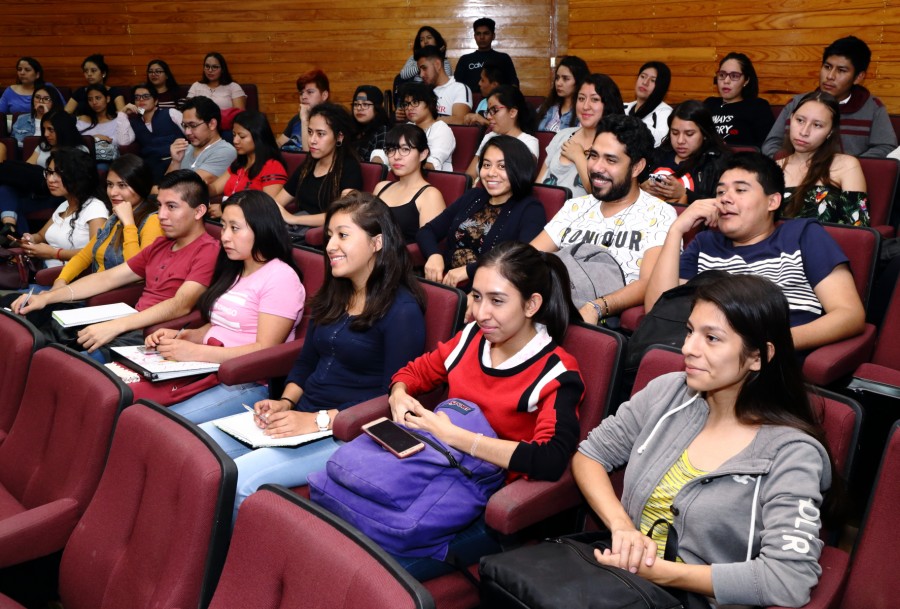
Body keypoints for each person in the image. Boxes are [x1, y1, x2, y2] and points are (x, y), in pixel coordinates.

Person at [573, 273, 837, 608]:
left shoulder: (792, 454)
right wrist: (622, 527)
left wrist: (661, 572)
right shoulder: (669, 391)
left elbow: (789, 580)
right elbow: (590, 455)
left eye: (711, 338)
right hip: (620, 583)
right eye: (689, 331)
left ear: (758, 356)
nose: (687, 349)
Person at [198, 191, 426, 517]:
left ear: (376, 243)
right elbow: (306, 361)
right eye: (330, 235)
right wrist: (285, 402)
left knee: (238, 481)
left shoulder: (402, 310)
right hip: (302, 416)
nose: (331, 245)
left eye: (343, 235)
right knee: (198, 447)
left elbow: (390, 397)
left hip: (347, 433)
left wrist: (318, 420)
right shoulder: (336, 292)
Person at [389, 240, 585, 579]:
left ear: (531, 305)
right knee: (351, 536)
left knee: (380, 565)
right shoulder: (470, 338)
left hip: (484, 502)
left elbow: (550, 459)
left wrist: (458, 437)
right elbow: (413, 373)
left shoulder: (557, 372)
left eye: (497, 300)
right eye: (476, 297)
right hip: (432, 473)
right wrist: (398, 394)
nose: (480, 313)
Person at [644, 151, 866, 355]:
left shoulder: (803, 235)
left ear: (772, 201)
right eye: (720, 191)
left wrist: (766, 345)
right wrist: (676, 230)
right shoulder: (705, 242)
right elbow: (657, 312)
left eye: (740, 190)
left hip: (769, 364)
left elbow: (849, 314)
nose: (725, 198)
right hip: (699, 357)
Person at [12, 170, 219, 361]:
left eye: (171, 207)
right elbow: (108, 278)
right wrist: (46, 297)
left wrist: (115, 326)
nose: (161, 215)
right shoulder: (161, 244)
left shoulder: (208, 250)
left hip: (155, 333)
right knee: (38, 332)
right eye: (159, 206)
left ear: (199, 211)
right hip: (131, 321)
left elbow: (180, 305)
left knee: (73, 365)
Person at [147, 190, 305, 421]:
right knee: (137, 403)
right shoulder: (235, 267)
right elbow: (220, 324)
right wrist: (185, 336)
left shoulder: (281, 277)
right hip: (208, 367)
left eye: (235, 228)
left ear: (261, 228)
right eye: (223, 226)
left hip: (246, 381)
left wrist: (198, 352)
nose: (225, 237)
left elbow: (265, 350)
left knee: (160, 420)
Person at [532, 114, 676, 324]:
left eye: (611, 160)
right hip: (551, 304)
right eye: (593, 155)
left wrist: (599, 306)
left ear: (637, 167)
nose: (597, 167)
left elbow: (649, 282)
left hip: (604, 320)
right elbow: (531, 254)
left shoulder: (658, 213)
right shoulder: (575, 206)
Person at [419, 136, 545, 287]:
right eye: (486, 165)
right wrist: (434, 255)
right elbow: (427, 231)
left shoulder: (531, 208)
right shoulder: (474, 196)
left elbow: (521, 261)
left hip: (490, 291)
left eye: (502, 166)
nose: (491, 173)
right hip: (447, 284)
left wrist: (469, 270)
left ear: (519, 169)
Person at [762, 36, 896, 158]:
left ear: (859, 77)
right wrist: (792, 163)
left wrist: (848, 166)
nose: (830, 76)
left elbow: (886, 147)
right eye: (827, 67)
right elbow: (771, 144)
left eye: (841, 70)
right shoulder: (797, 103)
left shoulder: (872, 107)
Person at [53, 154, 162, 288]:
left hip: (118, 300)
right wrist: (60, 281)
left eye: (122, 185)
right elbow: (84, 256)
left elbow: (136, 273)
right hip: (95, 291)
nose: (113, 192)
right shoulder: (114, 217)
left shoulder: (153, 221)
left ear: (140, 186)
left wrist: (129, 224)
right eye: (110, 185)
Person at [777, 91, 868, 226]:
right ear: (791, 119)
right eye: (800, 120)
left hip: (825, 245)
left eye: (817, 125)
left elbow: (859, 228)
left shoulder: (846, 165)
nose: (804, 132)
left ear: (830, 131)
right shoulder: (773, 168)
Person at [11, 149, 109, 272]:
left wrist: (54, 253)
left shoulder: (95, 207)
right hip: (47, 272)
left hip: (72, 279)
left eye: (59, 174)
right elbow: (40, 235)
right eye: (50, 172)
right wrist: (30, 239)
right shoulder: (64, 205)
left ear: (78, 176)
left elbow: (97, 252)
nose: (51, 179)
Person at [275, 103, 363, 239]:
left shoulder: (349, 167)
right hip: (296, 230)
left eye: (320, 134)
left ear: (339, 136)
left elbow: (340, 215)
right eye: (310, 132)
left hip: (325, 237)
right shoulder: (308, 165)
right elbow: (278, 201)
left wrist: (293, 219)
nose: (312, 140)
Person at [0, 111, 89, 235]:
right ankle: (11, 227)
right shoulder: (43, 146)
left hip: (58, 195)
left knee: (14, 206)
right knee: (5, 189)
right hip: (35, 190)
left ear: (63, 129)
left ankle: (19, 239)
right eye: (44, 129)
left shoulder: (79, 150)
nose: (46, 134)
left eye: (51, 130)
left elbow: (77, 180)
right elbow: (27, 168)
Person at [537, 73, 625, 198]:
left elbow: (599, 192)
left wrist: (578, 157)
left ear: (608, 104)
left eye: (594, 99)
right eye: (581, 98)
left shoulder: (613, 144)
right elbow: (539, 184)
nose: (585, 106)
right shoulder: (562, 135)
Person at [643, 100, 731, 204]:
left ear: (705, 134)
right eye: (675, 133)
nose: (680, 141)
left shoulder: (718, 162)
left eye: (689, 134)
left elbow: (723, 203)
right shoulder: (658, 154)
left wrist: (686, 194)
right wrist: (640, 187)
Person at [208, 110, 287, 220]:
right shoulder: (239, 163)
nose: (235, 141)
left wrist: (225, 209)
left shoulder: (273, 166)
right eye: (234, 135)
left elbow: (269, 208)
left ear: (258, 136)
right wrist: (196, 185)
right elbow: (215, 188)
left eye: (242, 136)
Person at [373, 124, 446, 243]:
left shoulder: (430, 195)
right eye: (391, 150)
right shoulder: (381, 187)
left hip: (403, 259)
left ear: (423, 154)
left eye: (405, 149)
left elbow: (429, 246)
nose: (396, 157)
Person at [465, 85, 538, 185]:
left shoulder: (529, 142)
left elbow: (518, 179)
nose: (489, 117)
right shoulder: (489, 137)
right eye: (488, 111)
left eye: (494, 110)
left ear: (512, 112)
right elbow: (470, 175)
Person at [702, 52, 774, 149]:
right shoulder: (709, 104)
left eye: (734, 76)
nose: (726, 81)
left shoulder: (757, 107)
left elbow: (767, 148)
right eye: (722, 75)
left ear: (746, 80)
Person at [166, 95, 237, 185]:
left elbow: (190, 188)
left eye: (193, 125)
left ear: (212, 124)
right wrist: (176, 162)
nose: (187, 132)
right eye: (185, 126)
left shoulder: (226, 151)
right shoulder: (185, 148)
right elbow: (164, 186)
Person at [387, 83, 456, 172]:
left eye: (415, 102)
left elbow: (432, 164)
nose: (409, 108)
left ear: (430, 103)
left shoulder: (441, 129)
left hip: (433, 181)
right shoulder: (408, 127)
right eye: (406, 104)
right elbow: (387, 152)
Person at [126, 84, 184, 183]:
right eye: (137, 97)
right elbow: (124, 141)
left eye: (146, 96)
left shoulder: (171, 113)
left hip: (177, 161)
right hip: (151, 165)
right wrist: (123, 114)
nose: (141, 100)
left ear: (156, 100)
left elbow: (190, 133)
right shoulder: (133, 122)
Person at [75, 84, 135, 167]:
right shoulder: (82, 119)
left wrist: (122, 115)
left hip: (109, 162)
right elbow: (72, 141)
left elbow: (124, 142)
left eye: (98, 98)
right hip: (81, 160)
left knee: (101, 166)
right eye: (90, 99)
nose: (94, 102)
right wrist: (94, 138)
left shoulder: (118, 119)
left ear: (107, 99)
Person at [411, 45, 472, 125]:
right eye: (419, 70)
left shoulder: (459, 88)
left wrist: (425, 120)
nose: (421, 74)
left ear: (437, 64)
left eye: (424, 68)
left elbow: (460, 120)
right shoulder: (421, 91)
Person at [453, 18, 519, 92]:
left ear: (493, 36)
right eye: (478, 34)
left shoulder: (503, 58)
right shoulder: (465, 60)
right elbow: (456, 86)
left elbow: (514, 84)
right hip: (469, 102)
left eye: (486, 33)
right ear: (474, 36)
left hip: (498, 100)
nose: (482, 37)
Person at [277, 69, 330, 153]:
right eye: (301, 93)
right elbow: (279, 142)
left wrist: (304, 120)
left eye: (310, 92)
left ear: (324, 95)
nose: (303, 97)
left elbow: (309, 153)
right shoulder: (296, 118)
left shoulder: (329, 119)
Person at [535, 56, 590, 132]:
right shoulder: (548, 107)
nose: (558, 83)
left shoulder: (585, 111)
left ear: (579, 81)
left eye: (565, 79)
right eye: (557, 78)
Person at [623, 61, 673, 147]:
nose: (645, 82)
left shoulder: (665, 112)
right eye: (642, 76)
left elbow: (660, 141)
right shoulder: (624, 107)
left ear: (661, 86)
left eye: (653, 80)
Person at [8, 84, 62, 151]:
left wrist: (47, 116)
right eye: (37, 97)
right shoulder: (22, 119)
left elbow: (63, 142)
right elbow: (13, 144)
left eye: (46, 99)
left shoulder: (61, 120)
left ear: (54, 102)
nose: (41, 101)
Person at [463, 60, 512, 127]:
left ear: (494, 85)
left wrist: (484, 121)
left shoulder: (508, 104)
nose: (479, 83)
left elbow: (506, 129)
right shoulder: (483, 102)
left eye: (482, 80)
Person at [351, 85, 391, 164]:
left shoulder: (383, 131)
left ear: (377, 108)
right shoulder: (350, 129)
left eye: (365, 104)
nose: (359, 108)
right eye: (356, 104)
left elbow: (377, 166)